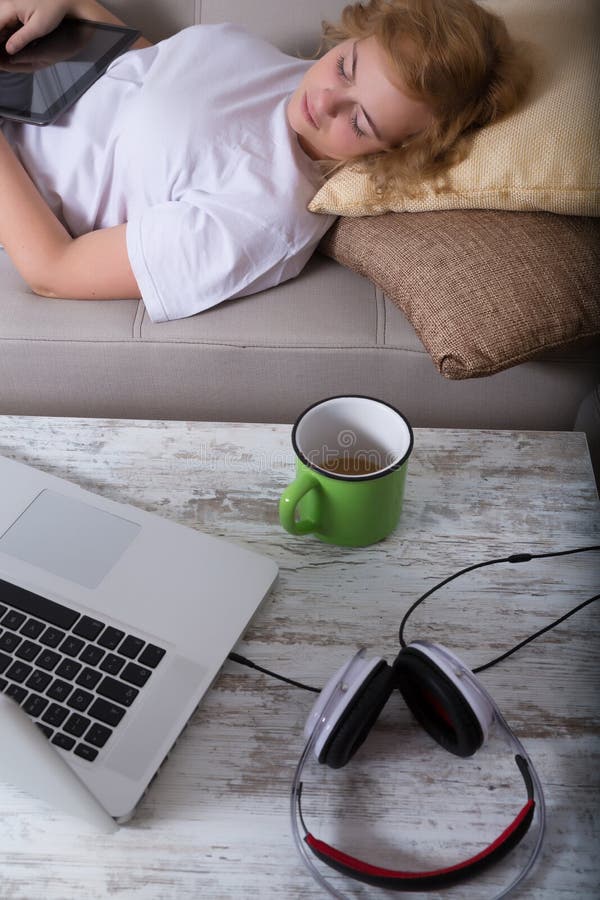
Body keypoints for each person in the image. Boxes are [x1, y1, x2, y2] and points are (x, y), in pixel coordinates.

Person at [0, 0, 529, 322]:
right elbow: (158, 70)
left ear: (398, 153)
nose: (324, 101)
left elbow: (55, 271)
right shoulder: (287, 76)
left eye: (360, 121)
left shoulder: (263, 216)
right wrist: (74, 10)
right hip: (25, 70)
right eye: (345, 66)